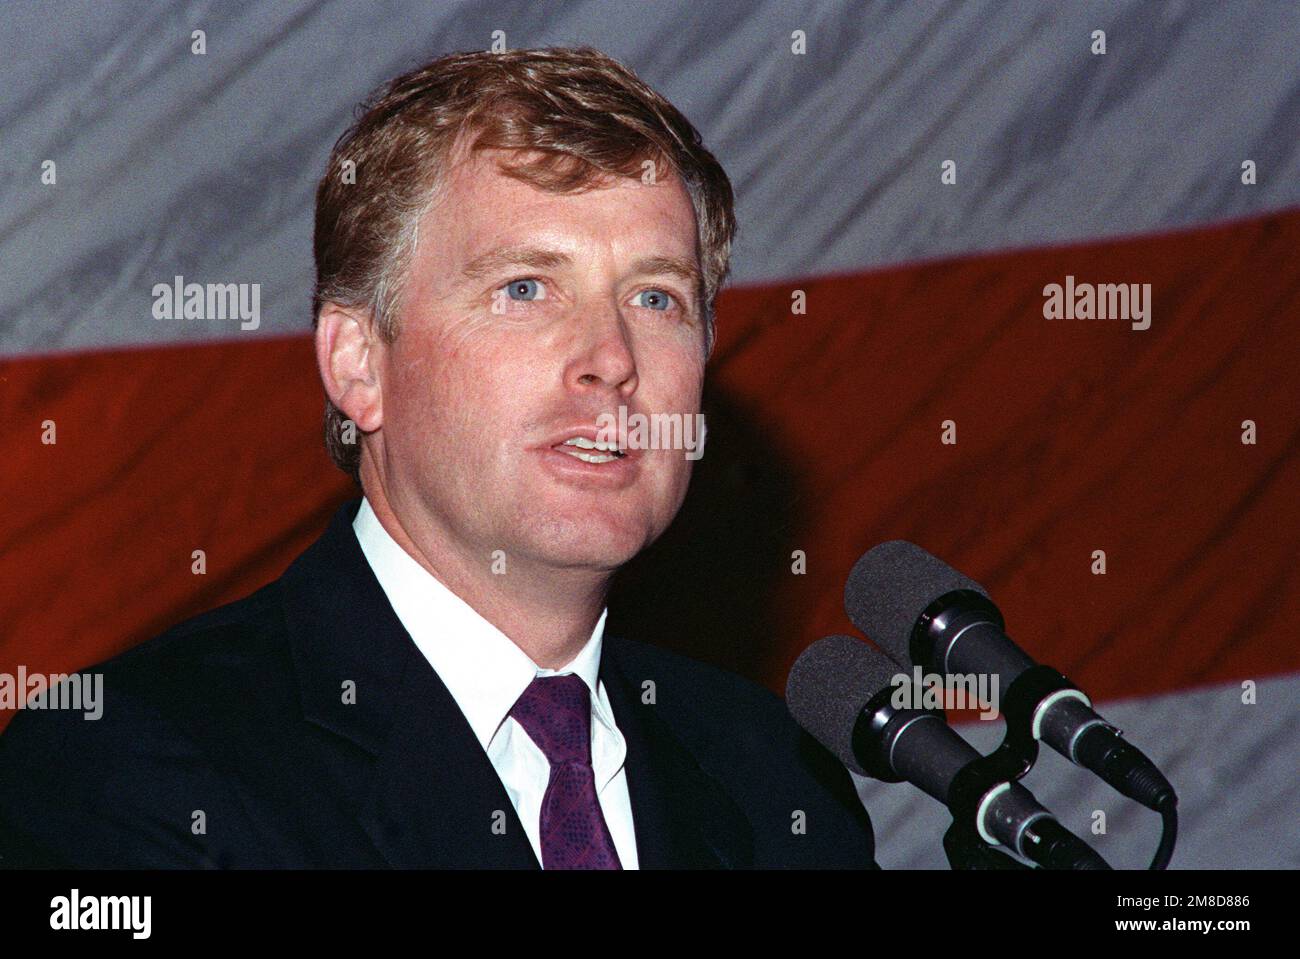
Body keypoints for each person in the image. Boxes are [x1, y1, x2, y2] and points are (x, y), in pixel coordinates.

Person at [0, 46, 877, 869]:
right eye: (525, 288)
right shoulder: (127, 766)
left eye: (657, 297)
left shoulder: (775, 782)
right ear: (358, 363)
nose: (612, 356)